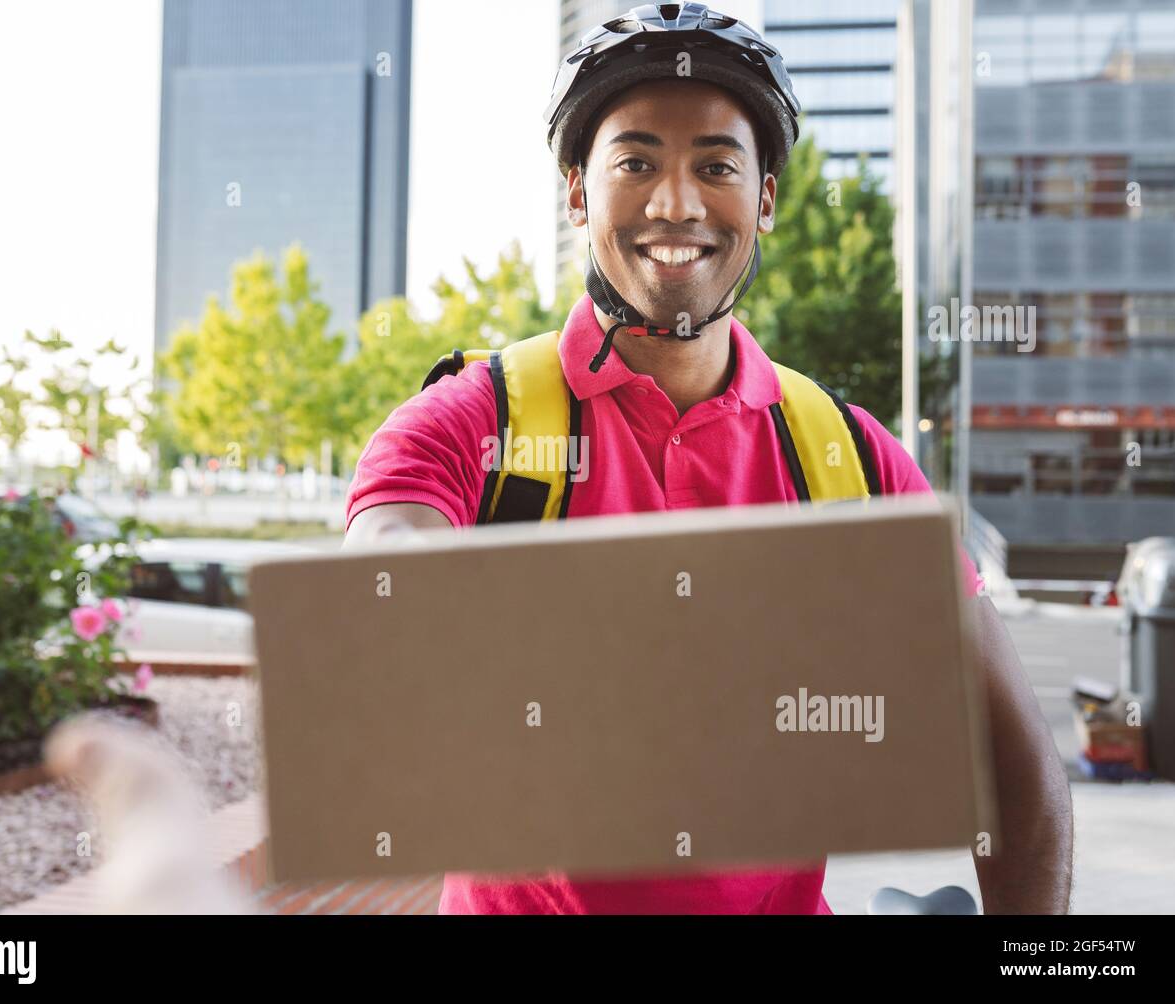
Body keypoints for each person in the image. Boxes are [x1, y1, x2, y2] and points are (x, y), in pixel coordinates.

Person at [345, 2, 1072, 914]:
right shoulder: (465, 422)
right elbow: (387, 579)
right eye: (636, 162)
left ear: (764, 197)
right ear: (577, 192)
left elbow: (1013, 773)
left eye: (718, 167)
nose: (676, 203)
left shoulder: (851, 460)